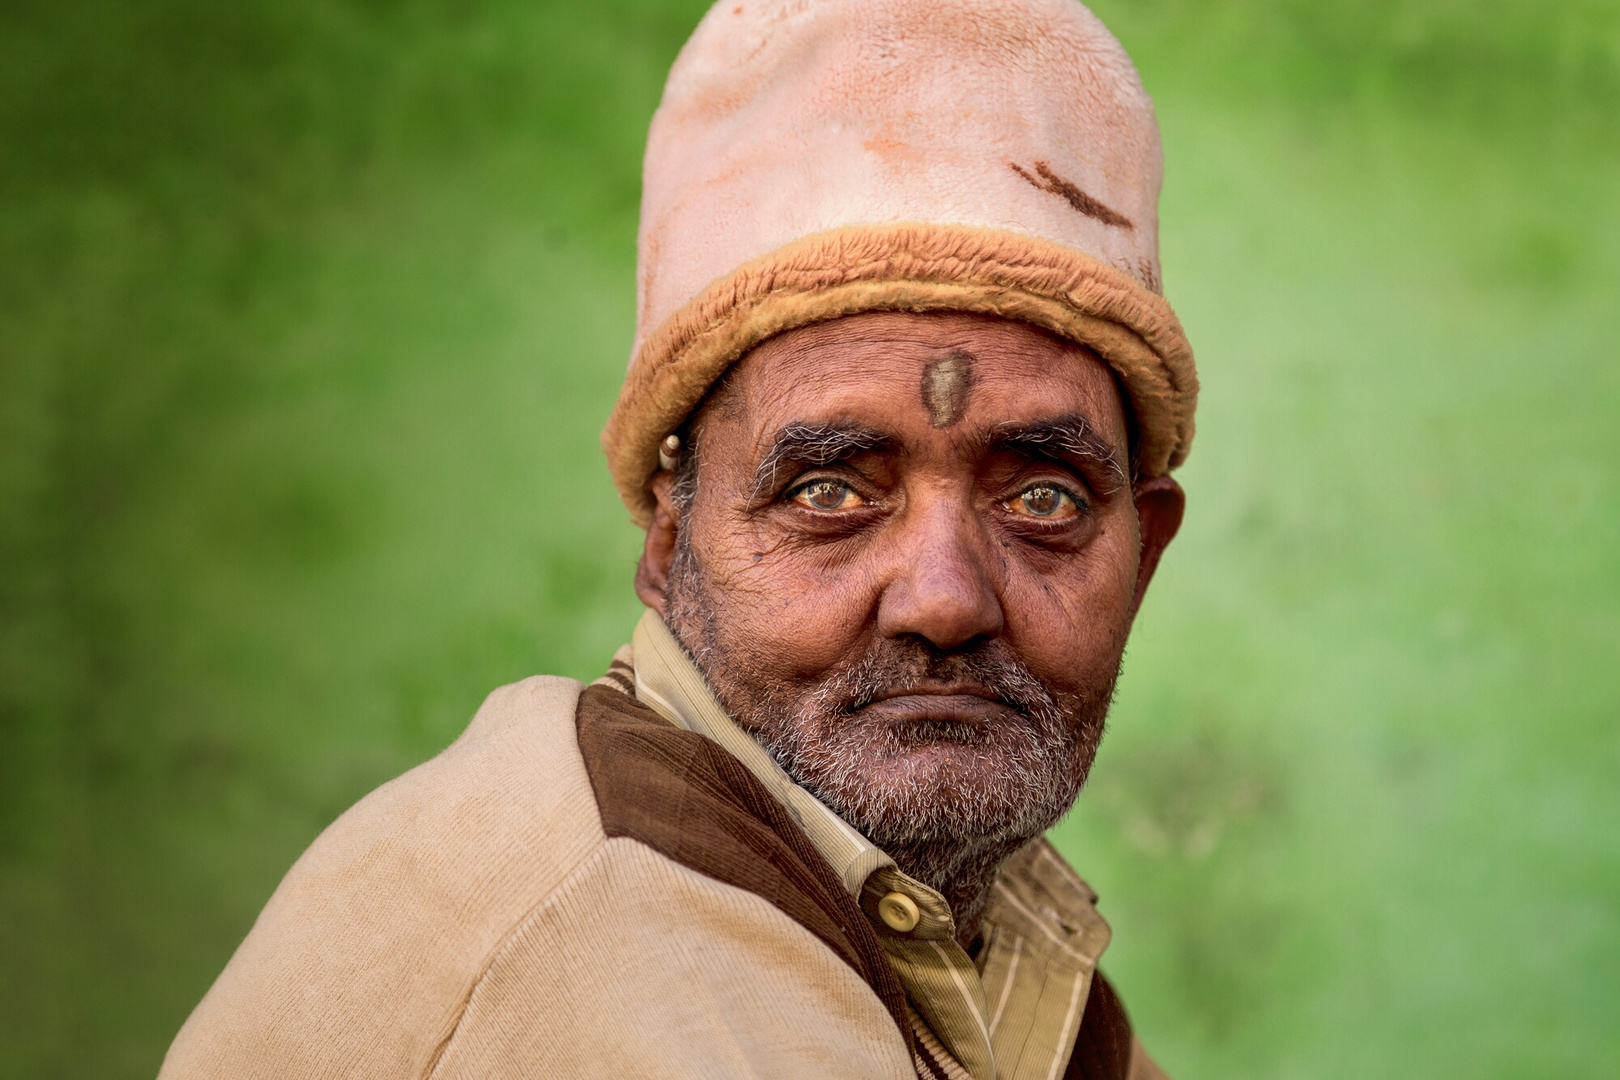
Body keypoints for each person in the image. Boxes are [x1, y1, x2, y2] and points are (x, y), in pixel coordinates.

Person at [160, 0, 1198, 1077]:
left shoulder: (999, 946)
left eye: (1044, 501)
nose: (943, 599)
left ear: (1144, 554)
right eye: (831, 490)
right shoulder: (606, 939)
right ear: (669, 535)